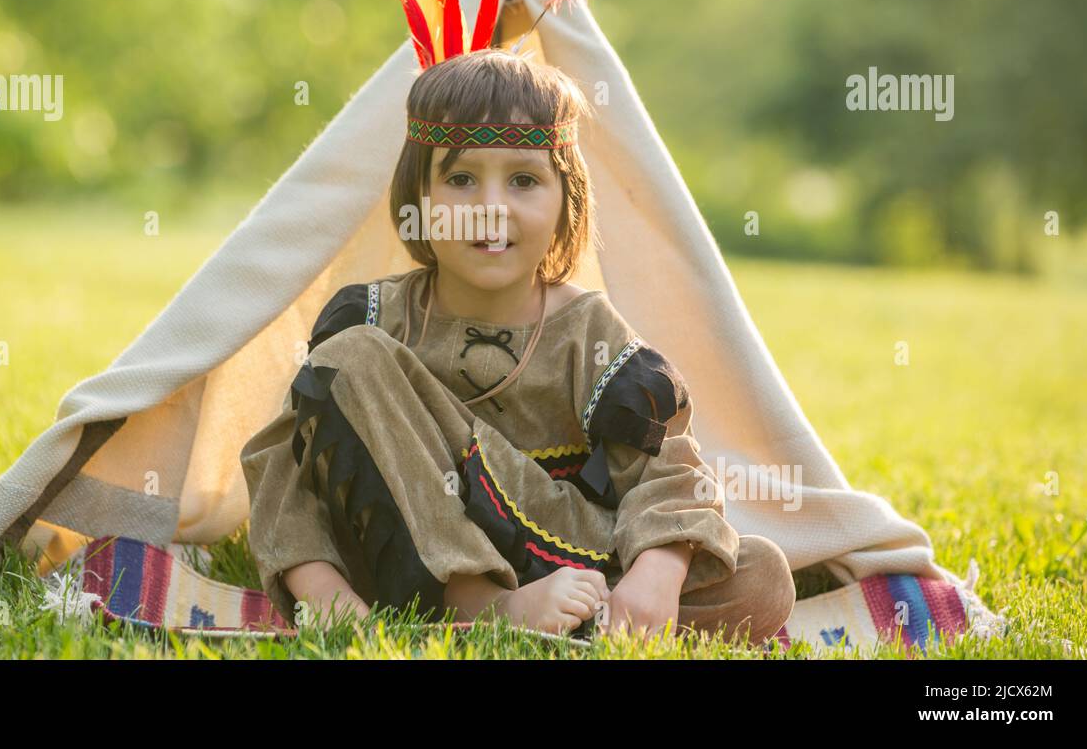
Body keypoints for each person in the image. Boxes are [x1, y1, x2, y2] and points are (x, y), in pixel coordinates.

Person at [240, 46, 796, 644]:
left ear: (565, 201)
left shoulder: (591, 332)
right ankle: (484, 609)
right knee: (348, 361)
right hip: (401, 557)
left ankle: (568, 620)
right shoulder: (373, 317)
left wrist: (658, 573)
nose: (491, 208)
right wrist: (323, 593)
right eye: (460, 179)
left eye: (525, 180)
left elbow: (665, 468)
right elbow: (284, 460)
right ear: (418, 198)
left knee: (762, 576)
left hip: (559, 552)